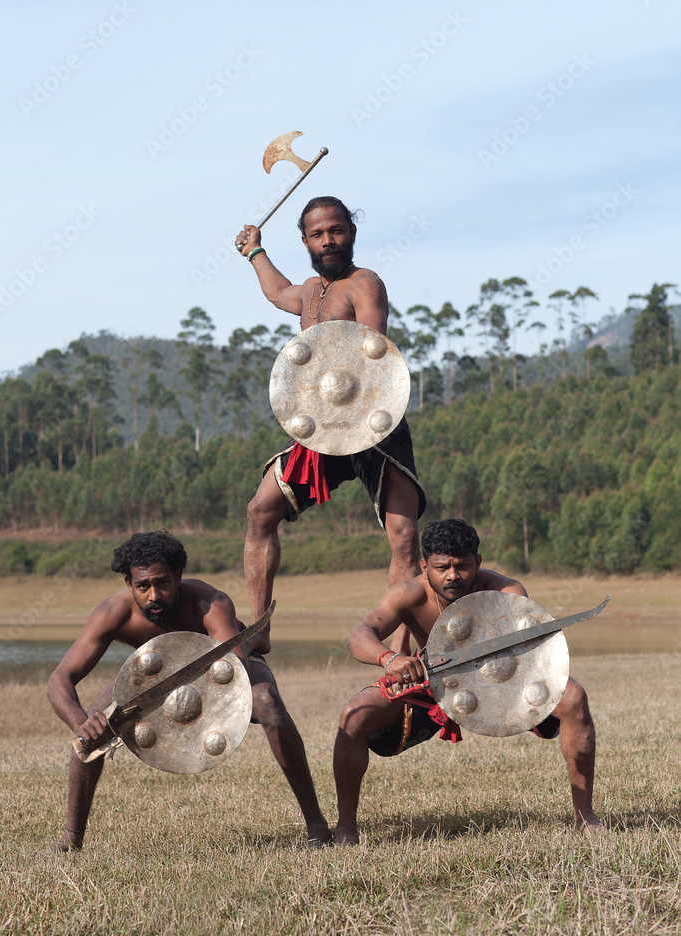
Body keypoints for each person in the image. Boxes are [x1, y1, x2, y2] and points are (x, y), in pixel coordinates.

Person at [46, 530, 331, 850]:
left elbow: (233, 673)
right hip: (155, 677)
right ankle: (71, 838)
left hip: (221, 667)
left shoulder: (211, 602)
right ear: (129, 584)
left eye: (162, 583)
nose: (153, 595)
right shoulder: (112, 613)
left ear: (178, 576)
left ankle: (316, 825)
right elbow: (60, 679)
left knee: (268, 702)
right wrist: (80, 721)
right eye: (143, 586)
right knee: (89, 735)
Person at [332, 518, 600, 845]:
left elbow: (527, 652)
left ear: (478, 563)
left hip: (500, 682)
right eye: (442, 567)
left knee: (573, 698)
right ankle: (346, 827)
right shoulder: (407, 594)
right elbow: (360, 636)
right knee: (353, 715)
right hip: (432, 682)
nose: (452, 576)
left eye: (462, 566)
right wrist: (392, 660)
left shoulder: (506, 591)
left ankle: (584, 815)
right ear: (424, 566)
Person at [235, 197, 426, 653]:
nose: (328, 241)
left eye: (336, 230)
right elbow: (279, 293)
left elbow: (370, 349)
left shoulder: (365, 284)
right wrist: (254, 253)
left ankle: (400, 652)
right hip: (321, 426)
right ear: (304, 241)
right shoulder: (308, 290)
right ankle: (258, 631)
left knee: (403, 535)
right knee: (261, 511)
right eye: (318, 234)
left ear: (352, 233)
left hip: (372, 423)